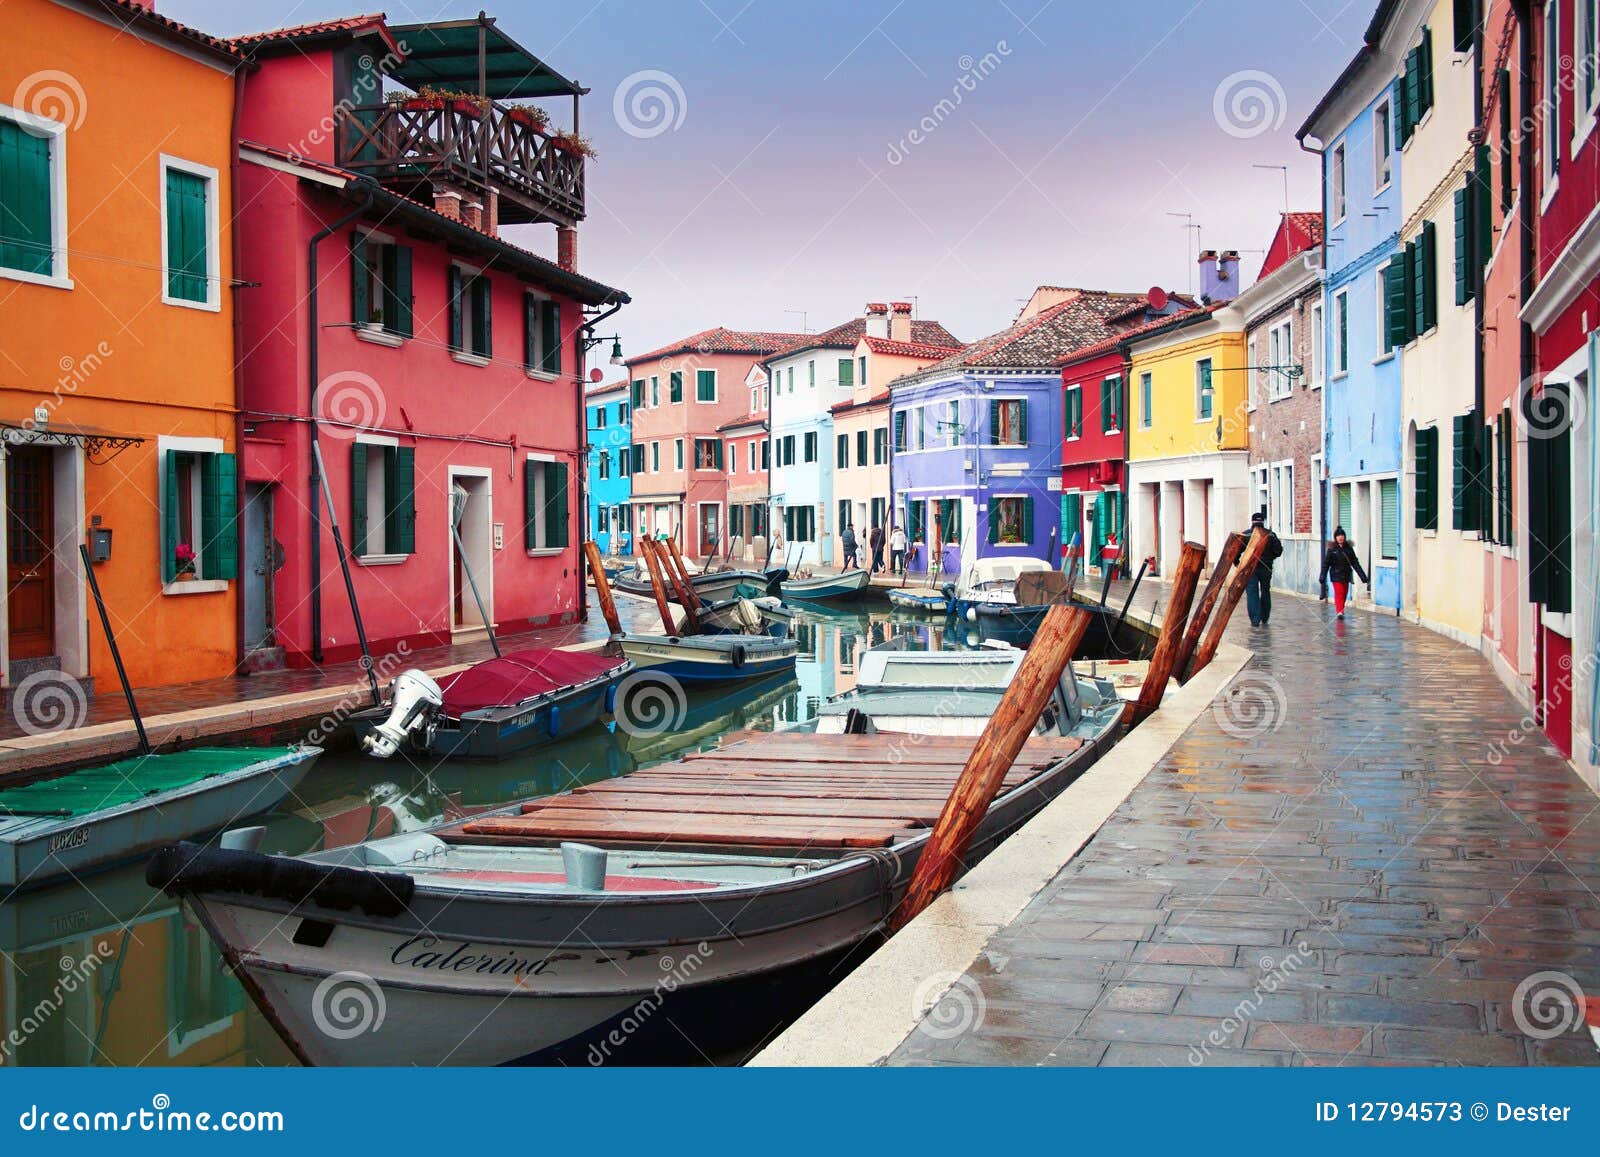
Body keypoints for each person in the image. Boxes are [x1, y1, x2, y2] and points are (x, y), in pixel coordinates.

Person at [1318, 526, 1369, 620]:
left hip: (1346, 575)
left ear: (1344, 537)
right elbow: (1326, 564)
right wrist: (1322, 576)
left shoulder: (1349, 549)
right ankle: (1339, 611)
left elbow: (1355, 563)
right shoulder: (1332, 550)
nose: (1340, 537)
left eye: (1342, 535)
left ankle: (1341, 609)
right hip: (1335, 575)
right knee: (1339, 592)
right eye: (1338, 536)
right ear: (1335, 538)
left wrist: (1363, 576)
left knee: (1344, 593)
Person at [1244, 511, 1284, 627]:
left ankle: (1255, 620)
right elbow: (1278, 551)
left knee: (1252, 592)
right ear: (1263, 521)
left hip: (1250, 568)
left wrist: (1237, 561)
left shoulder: (1246, 535)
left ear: (1252, 522)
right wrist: (1269, 558)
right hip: (1266, 567)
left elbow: (1237, 549)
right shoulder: (1271, 535)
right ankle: (1265, 617)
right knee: (1265, 591)